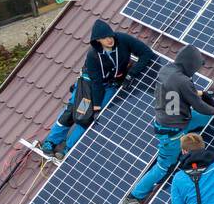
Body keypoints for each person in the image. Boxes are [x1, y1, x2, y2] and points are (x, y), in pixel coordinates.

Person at [120, 45, 214, 204]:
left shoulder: (167, 70)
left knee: (206, 118)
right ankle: (134, 196)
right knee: (164, 166)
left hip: (176, 116)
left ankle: (196, 127)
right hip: (171, 132)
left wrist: (201, 95)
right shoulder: (182, 80)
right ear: (190, 64)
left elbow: (181, 92)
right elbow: (198, 105)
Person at [40, 19, 153, 158]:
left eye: (110, 36)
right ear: (97, 40)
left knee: (90, 119)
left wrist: (131, 74)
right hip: (89, 84)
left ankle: (67, 148)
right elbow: (97, 84)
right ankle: (51, 141)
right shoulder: (93, 55)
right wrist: (96, 106)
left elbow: (146, 53)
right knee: (76, 111)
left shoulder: (123, 40)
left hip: (112, 84)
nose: (109, 40)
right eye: (104, 38)